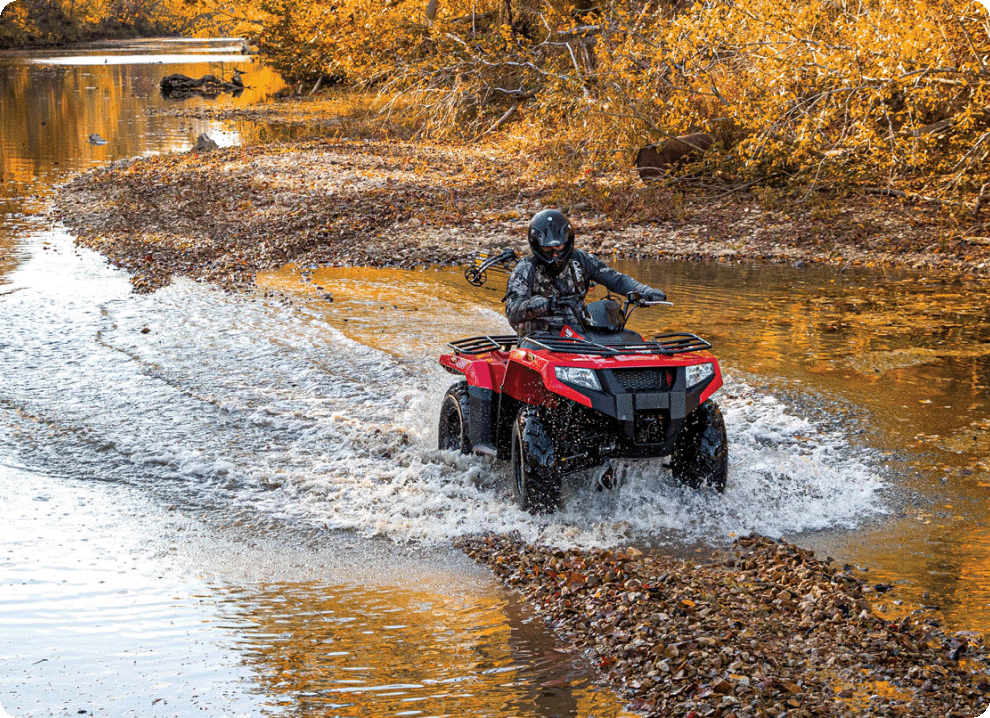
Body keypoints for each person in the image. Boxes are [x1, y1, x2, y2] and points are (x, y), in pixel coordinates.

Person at [504, 208, 667, 335]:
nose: (555, 253)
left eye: (559, 246)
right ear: (537, 245)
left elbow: (616, 280)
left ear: (567, 242)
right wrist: (535, 305)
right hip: (537, 340)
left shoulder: (581, 260)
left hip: (577, 333)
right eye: (547, 248)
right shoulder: (526, 268)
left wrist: (644, 291)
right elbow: (512, 310)